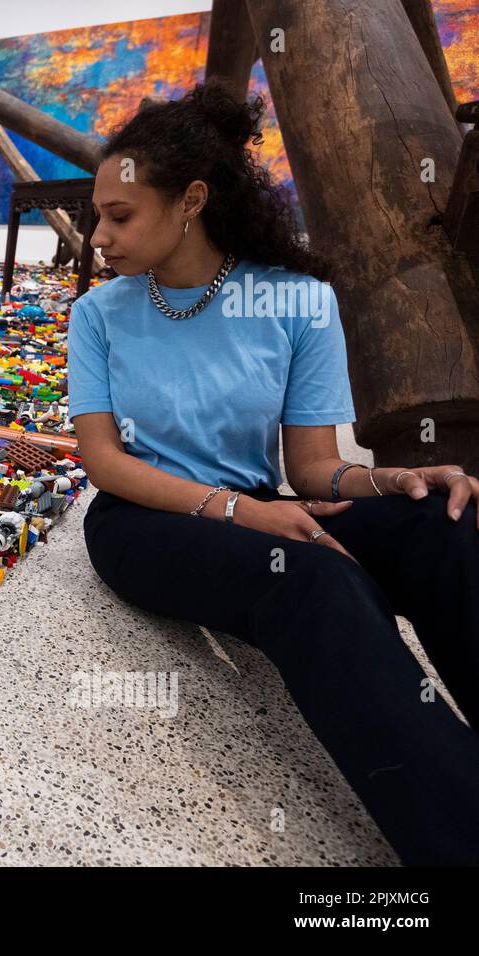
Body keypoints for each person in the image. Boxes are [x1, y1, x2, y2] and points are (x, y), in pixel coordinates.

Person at [66, 79, 479, 865]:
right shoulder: (99, 315)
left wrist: (390, 481)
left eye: (119, 215)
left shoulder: (298, 302)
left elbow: (315, 469)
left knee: (440, 524)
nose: (99, 237)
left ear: (190, 201)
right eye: (98, 217)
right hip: (139, 521)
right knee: (315, 580)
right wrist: (239, 513)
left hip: (259, 504)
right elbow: (104, 463)